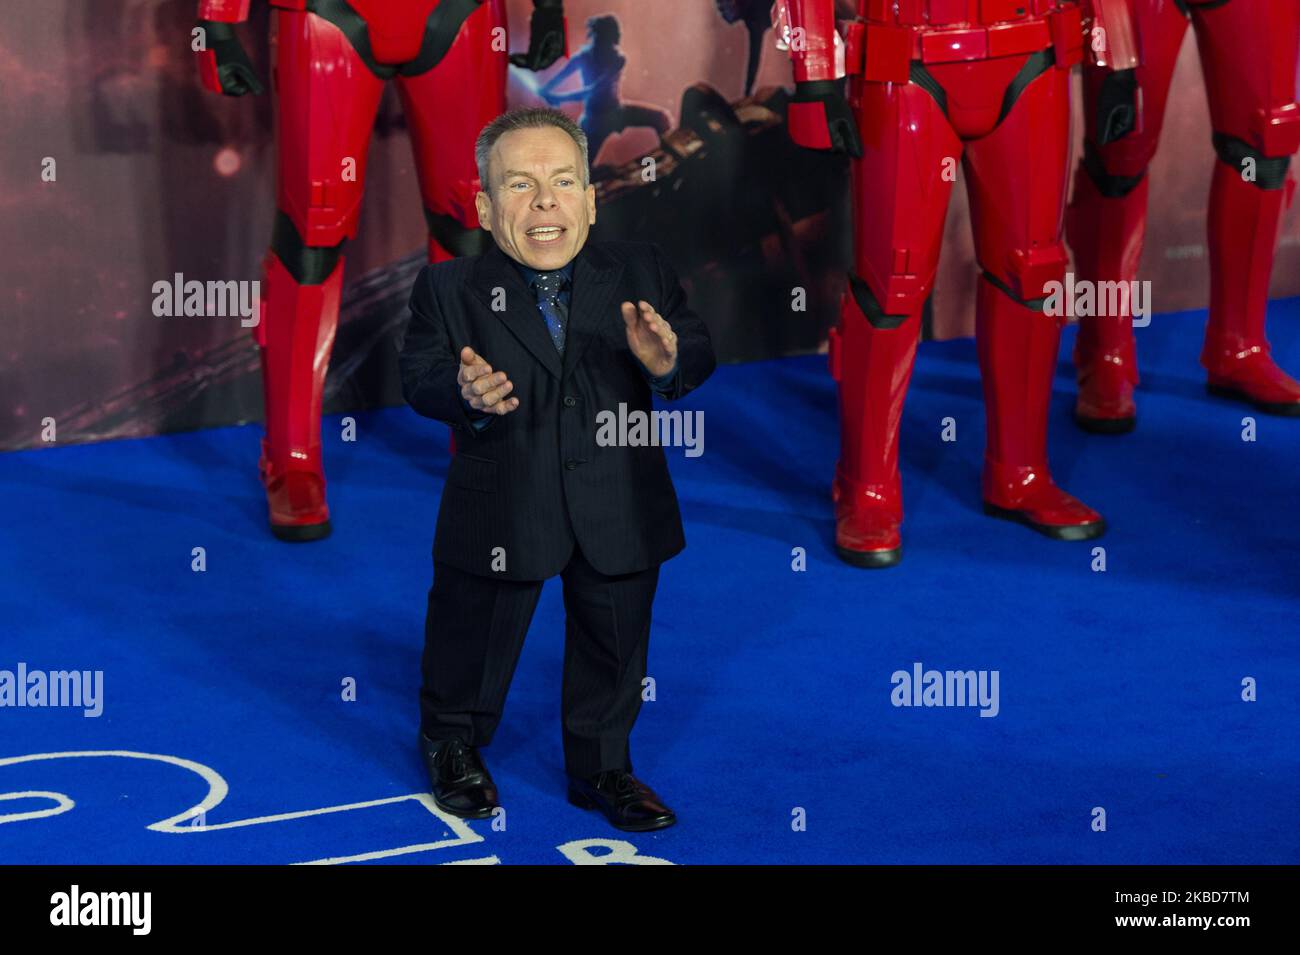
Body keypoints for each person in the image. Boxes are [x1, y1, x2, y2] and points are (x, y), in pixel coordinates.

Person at [398, 107, 715, 832]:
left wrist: (664, 360)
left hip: (618, 500)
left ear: (591, 197)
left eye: (564, 180)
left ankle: (604, 764)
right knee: (472, 635)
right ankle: (453, 742)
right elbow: (419, 375)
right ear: (483, 206)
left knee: (616, 637)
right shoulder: (448, 290)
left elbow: (692, 346)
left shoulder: (639, 269)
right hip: (503, 504)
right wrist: (462, 392)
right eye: (520, 185)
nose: (545, 201)